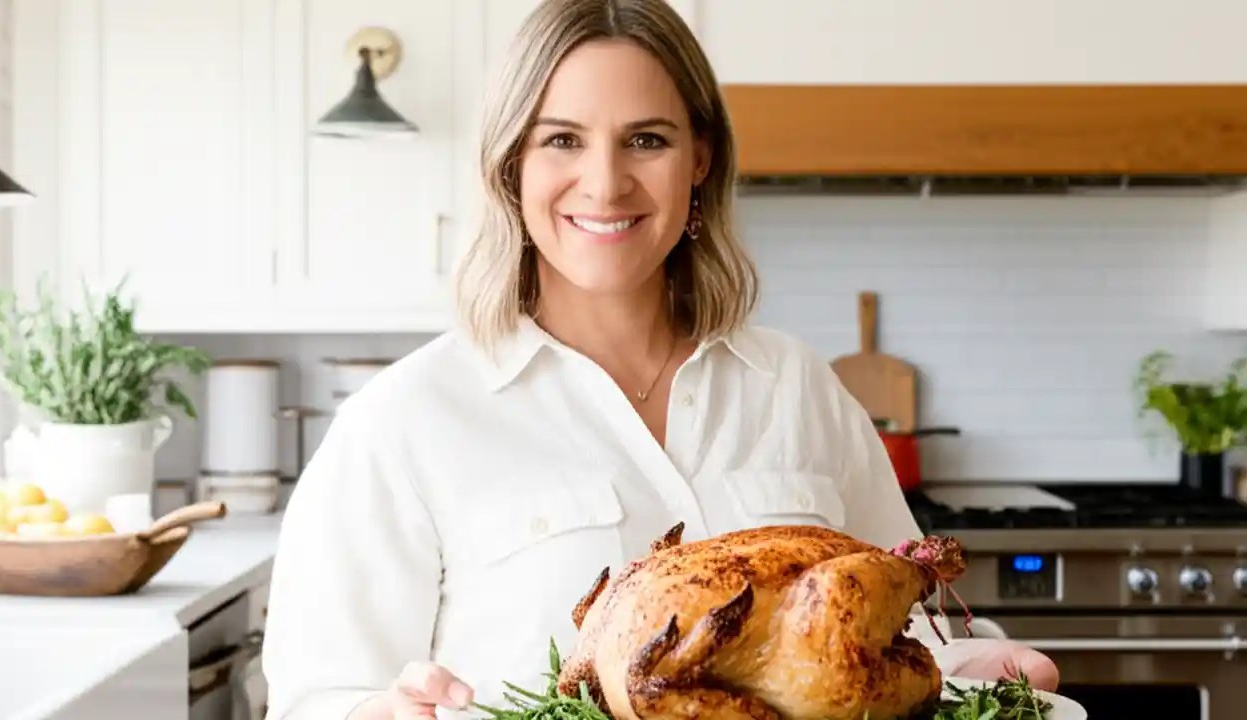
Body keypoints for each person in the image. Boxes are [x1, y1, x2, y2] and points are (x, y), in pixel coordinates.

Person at [260, 1, 1059, 718]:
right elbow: (313, 698)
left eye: (646, 139)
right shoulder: (406, 419)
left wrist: (970, 668)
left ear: (700, 161)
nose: (605, 183)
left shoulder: (795, 387)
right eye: (562, 140)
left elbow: (898, 633)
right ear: (512, 165)